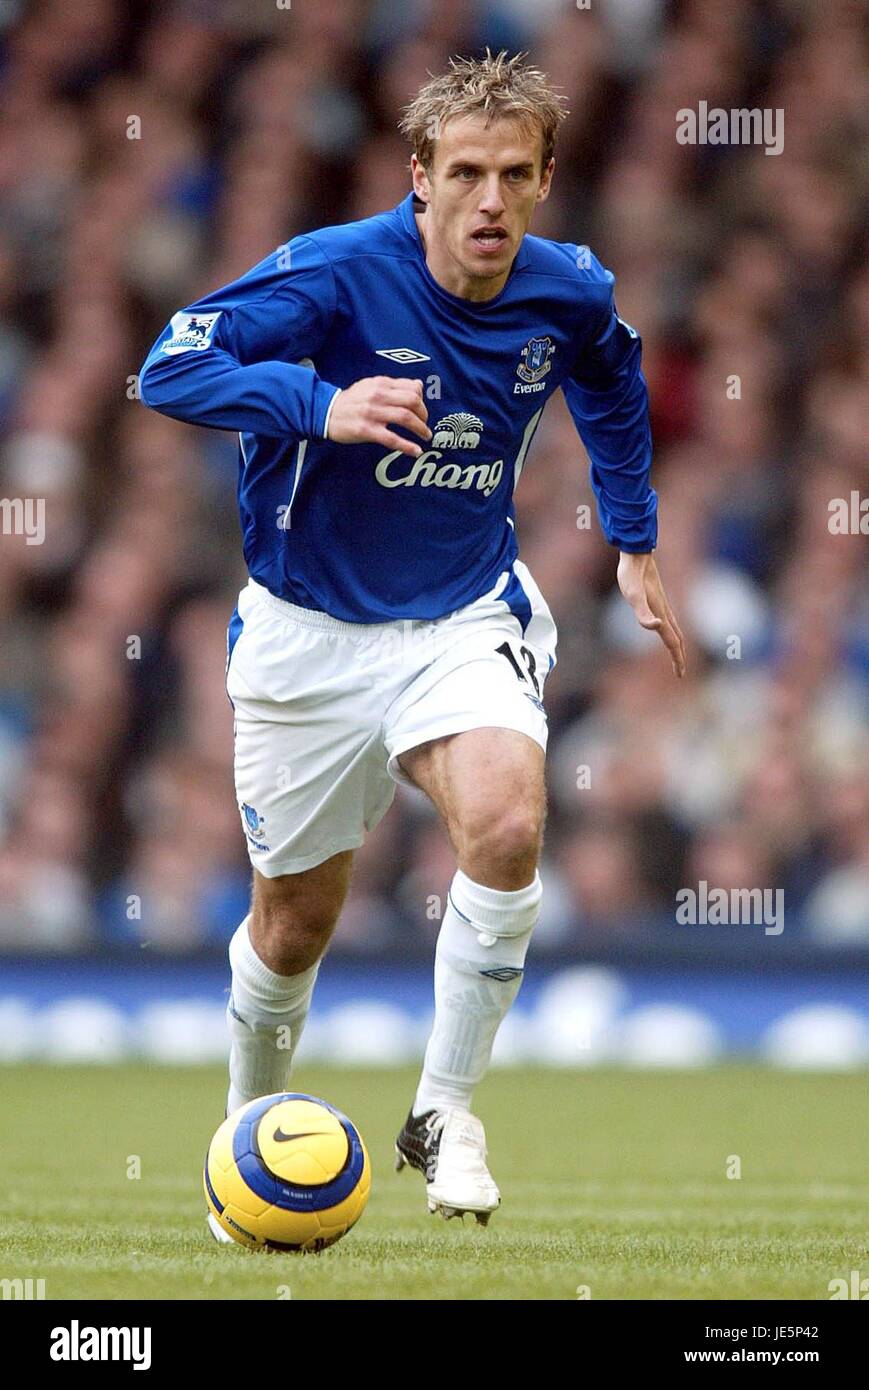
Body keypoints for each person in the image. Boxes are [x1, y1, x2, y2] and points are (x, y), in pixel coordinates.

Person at [139, 49, 686, 1234]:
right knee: (292, 925)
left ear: (544, 181)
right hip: (306, 634)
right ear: (419, 177)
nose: (490, 200)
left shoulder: (567, 290)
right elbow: (167, 367)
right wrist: (320, 405)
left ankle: (441, 1111)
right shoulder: (335, 272)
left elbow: (610, 378)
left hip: (459, 612)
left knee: (506, 822)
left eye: (514, 175)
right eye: (466, 174)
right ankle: (246, 1136)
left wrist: (633, 538)